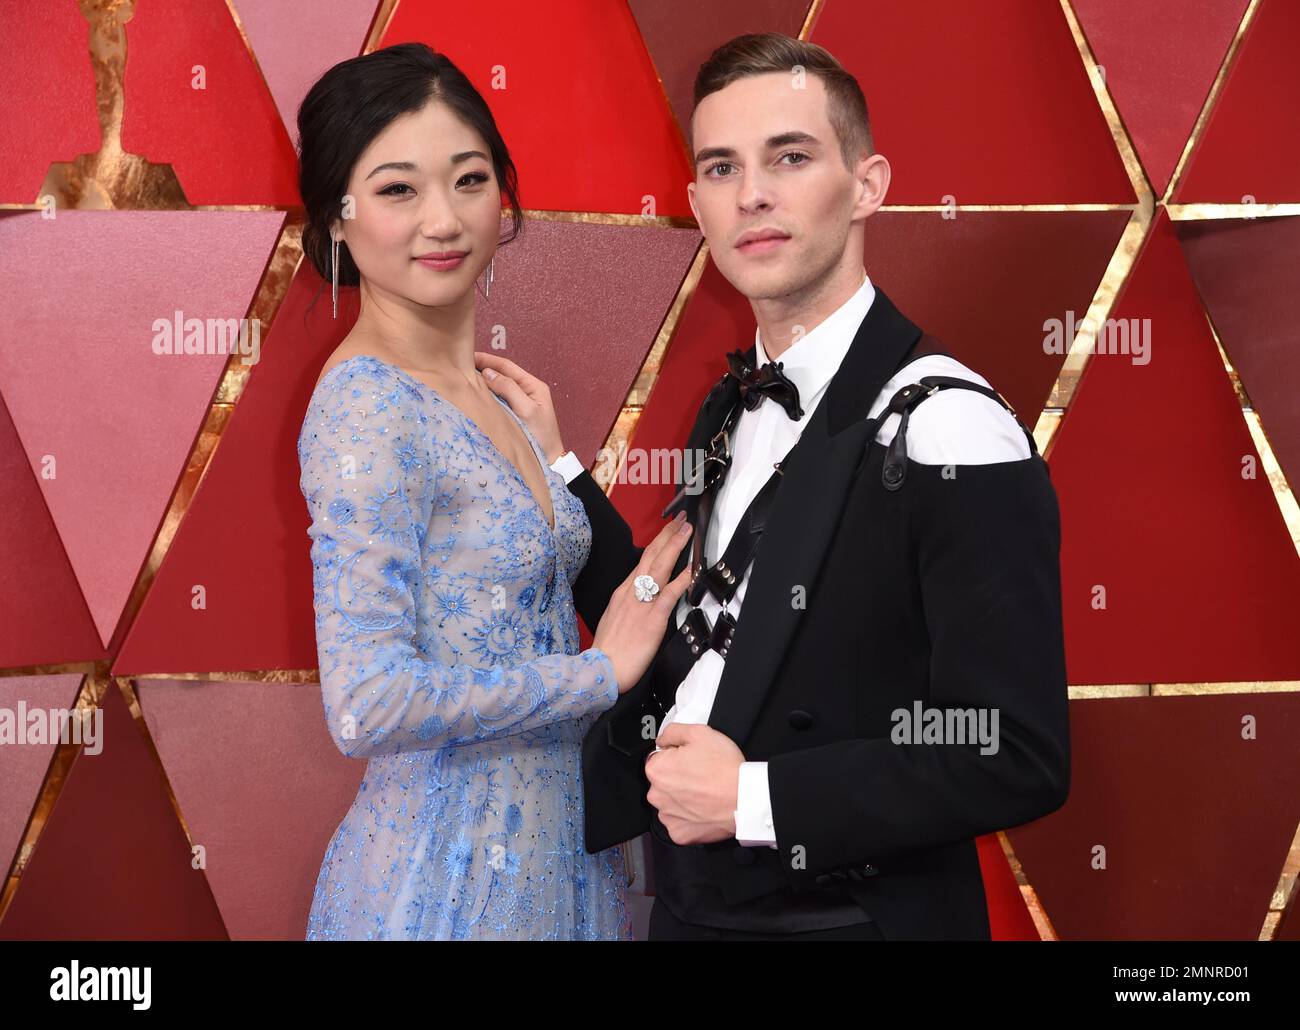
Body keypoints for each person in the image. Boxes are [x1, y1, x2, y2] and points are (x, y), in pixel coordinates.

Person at [480, 32, 1070, 941]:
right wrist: (561, 471)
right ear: (696, 206)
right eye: (722, 168)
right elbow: (697, 628)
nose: (751, 192)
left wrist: (754, 797)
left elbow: (1014, 753)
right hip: (687, 916)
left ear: (868, 184)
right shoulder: (730, 403)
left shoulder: (950, 422)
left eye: (789, 157)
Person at [294, 42, 692, 940]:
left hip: (564, 866)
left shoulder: (496, 393)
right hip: (447, 883)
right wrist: (596, 674)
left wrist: (556, 467)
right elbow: (367, 703)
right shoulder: (364, 407)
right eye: (399, 190)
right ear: (337, 220)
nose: (444, 219)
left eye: (469, 180)